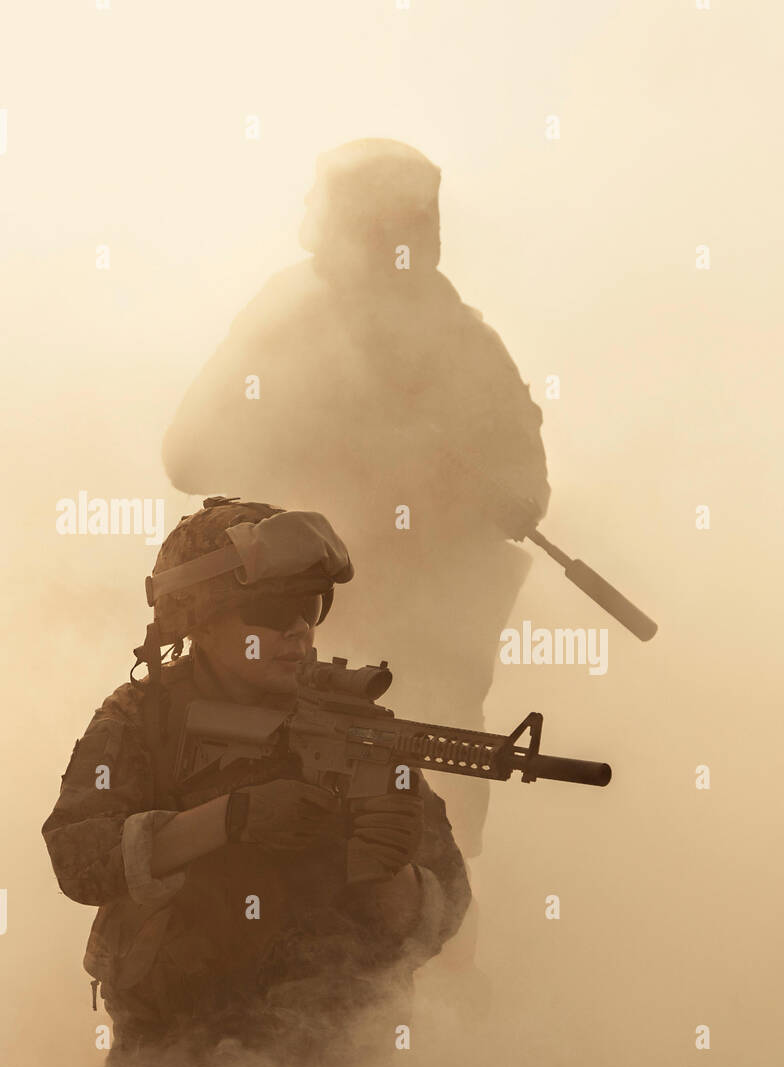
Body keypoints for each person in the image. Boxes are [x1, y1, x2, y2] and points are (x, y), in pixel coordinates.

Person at [161, 139, 549, 1004]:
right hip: (276, 665)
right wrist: (310, 441)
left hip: (421, 664)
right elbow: (187, 455)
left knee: (428, 859)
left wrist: (453, 478)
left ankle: (428, 1062)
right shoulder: (289, 320)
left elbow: (525, 495)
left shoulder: (462, 346)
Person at [42, 496, 471, 1067]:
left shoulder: (354, 729)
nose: (298, 632)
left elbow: (443, 906)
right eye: (272, 613)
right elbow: (77, 857)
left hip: (327, 1055)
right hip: (171, 1050)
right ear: (198, 621)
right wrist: (229, 819)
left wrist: (372, 855)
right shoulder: (141, 720)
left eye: (314, 608)